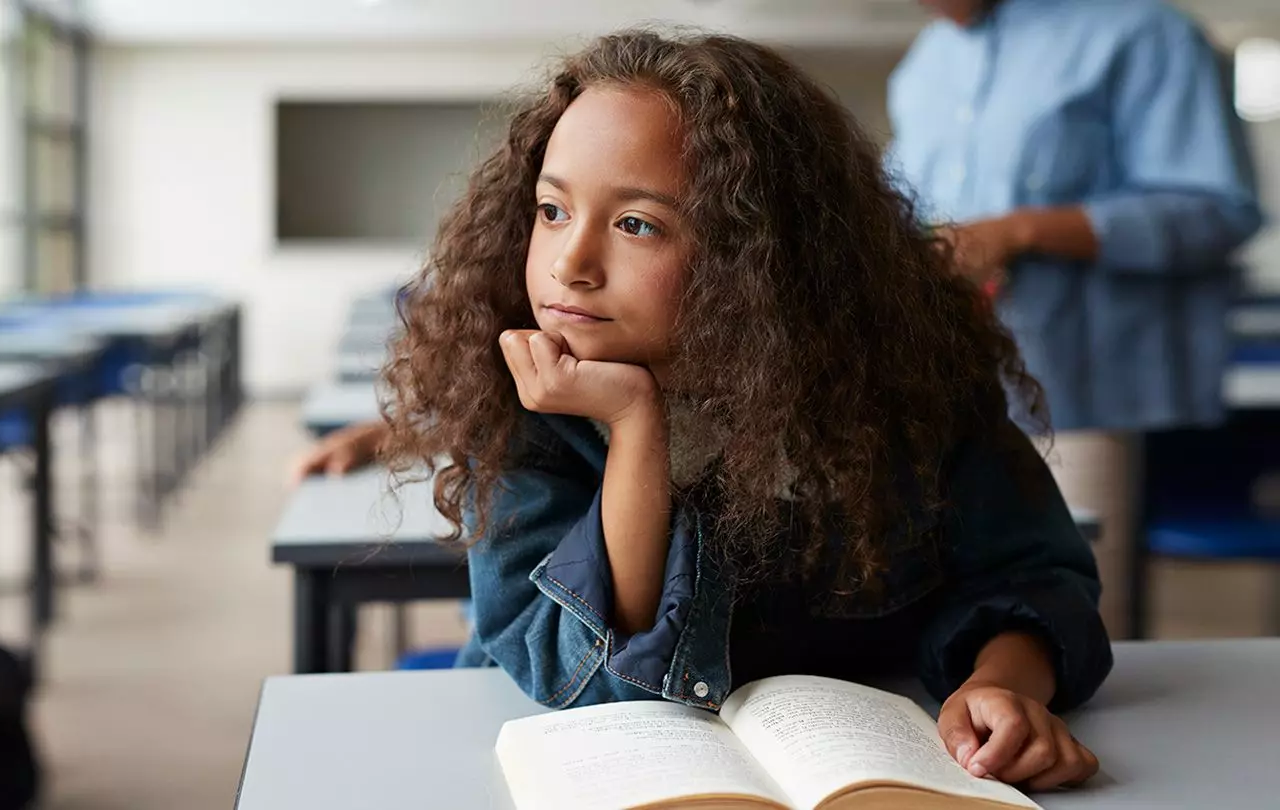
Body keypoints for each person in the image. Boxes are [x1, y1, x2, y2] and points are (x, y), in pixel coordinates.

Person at [378, 31, 1111, 790]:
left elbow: (1033, 576)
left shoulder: (910, 387)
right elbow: (590, 680)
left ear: (760, 254)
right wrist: (636, 428)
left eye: (637, 224)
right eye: (553, 209)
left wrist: (1006, 688)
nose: (570, 262)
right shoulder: (525, 407)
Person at [890, 0, 1263, 635]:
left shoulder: (1142, 32)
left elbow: (1216, 211)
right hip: (954, 400)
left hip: (1084, 397)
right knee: (978, 626)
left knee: (1077, 628)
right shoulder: (927, 62)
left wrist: (1024, 229)